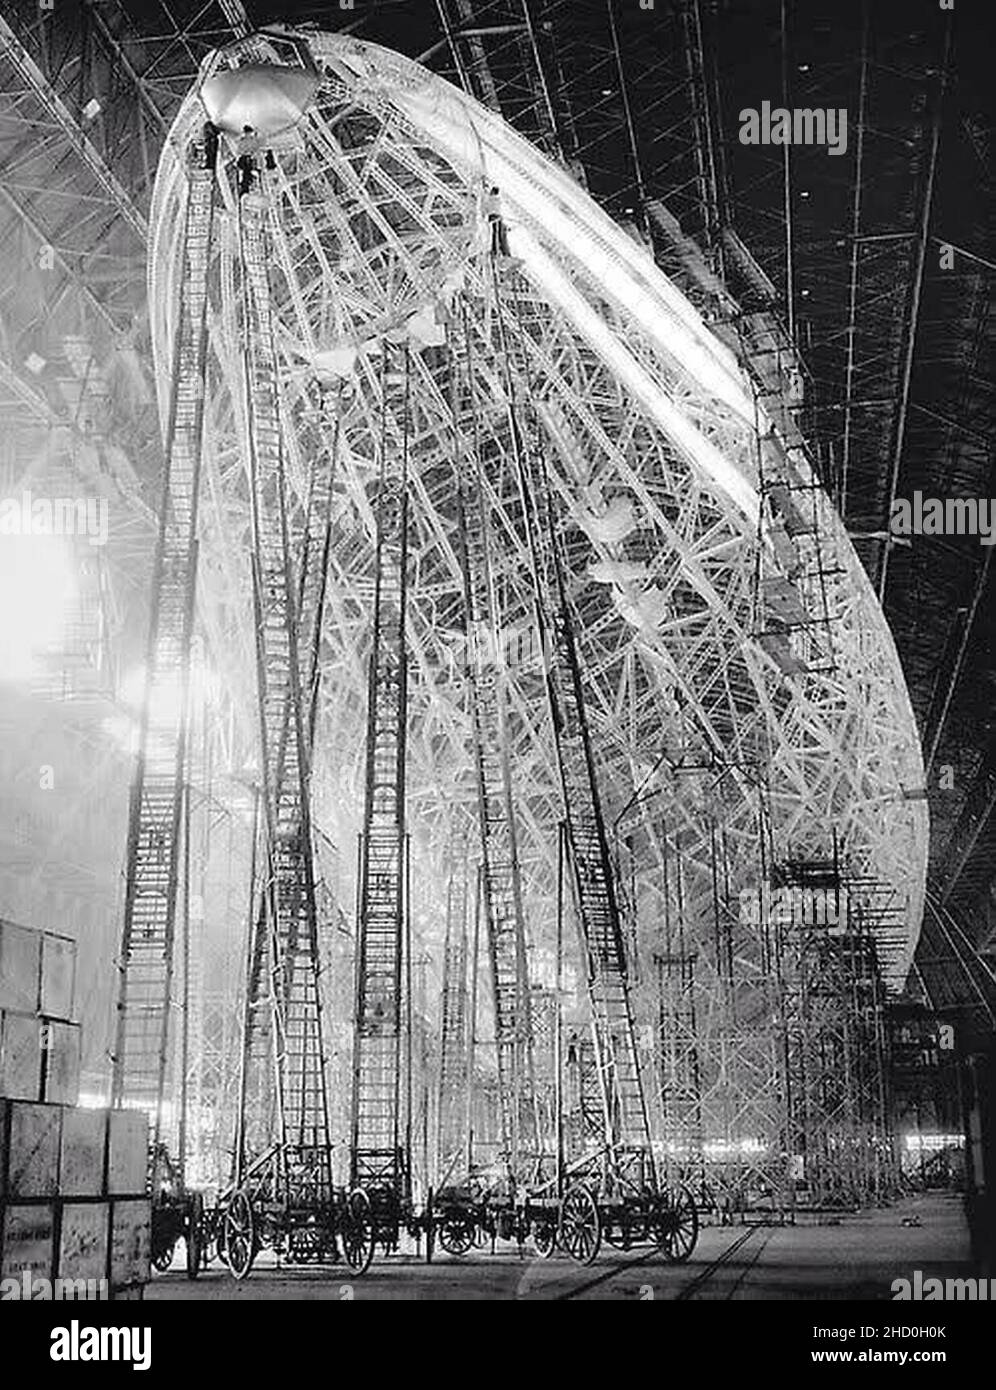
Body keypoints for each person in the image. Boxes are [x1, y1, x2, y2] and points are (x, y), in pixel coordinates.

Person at [485, 184, 511, 259]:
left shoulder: (491, 199)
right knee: (499, 234)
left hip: (493, 216)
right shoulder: (498, 199)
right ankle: (503, 252)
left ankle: (495, 250)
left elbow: (487, 207)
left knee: (495, 234)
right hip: (498, 216)